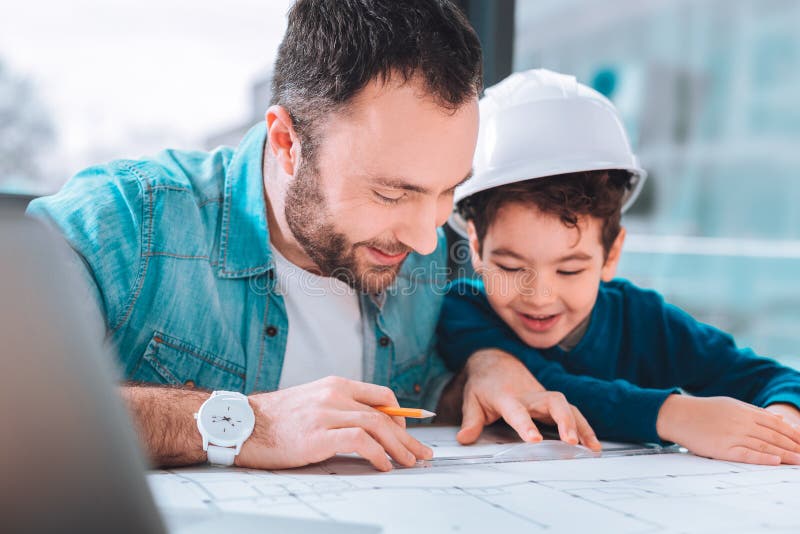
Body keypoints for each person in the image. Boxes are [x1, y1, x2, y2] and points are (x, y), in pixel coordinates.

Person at [27, 3, 597, 473]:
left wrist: (482, 368)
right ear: (286, 142)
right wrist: (248, 424)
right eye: (392, 194)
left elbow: (431, 385)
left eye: (448, 191)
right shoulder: (124, 222)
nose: (427, 238)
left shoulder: (437, 256)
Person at [439, 69, 800, 466]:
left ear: (611, 255)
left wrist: (781, 424)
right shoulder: (464, 311)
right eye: (510, 267)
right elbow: (545, 388)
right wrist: (676, 415)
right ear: (475, 245)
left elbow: (771, 377)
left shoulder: (644, 320)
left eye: (570, 270)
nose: (539, 295)